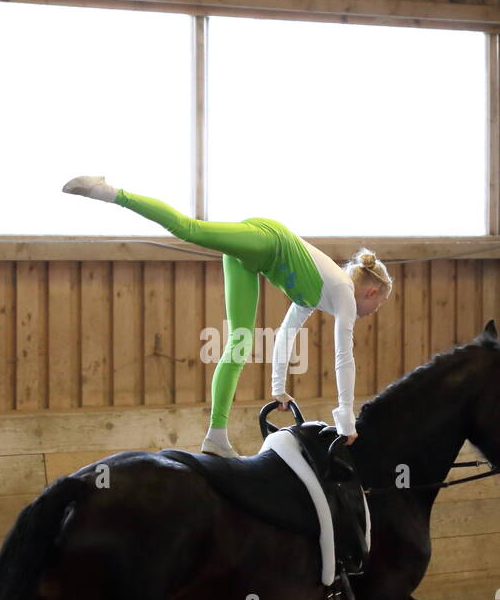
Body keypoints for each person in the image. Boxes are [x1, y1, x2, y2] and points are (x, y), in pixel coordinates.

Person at [63, 176, 393, 457]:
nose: (370, 313)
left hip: (250, 261)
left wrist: (278, 388)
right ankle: (109, 192)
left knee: (239, 341)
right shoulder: (344, 292)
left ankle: (216, 436)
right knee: (189, 229)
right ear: (371, 293)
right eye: (375, 308)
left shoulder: (320, 295)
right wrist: (346, 421)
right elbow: (343, 358)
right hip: (268, 240)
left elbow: (285, 335)